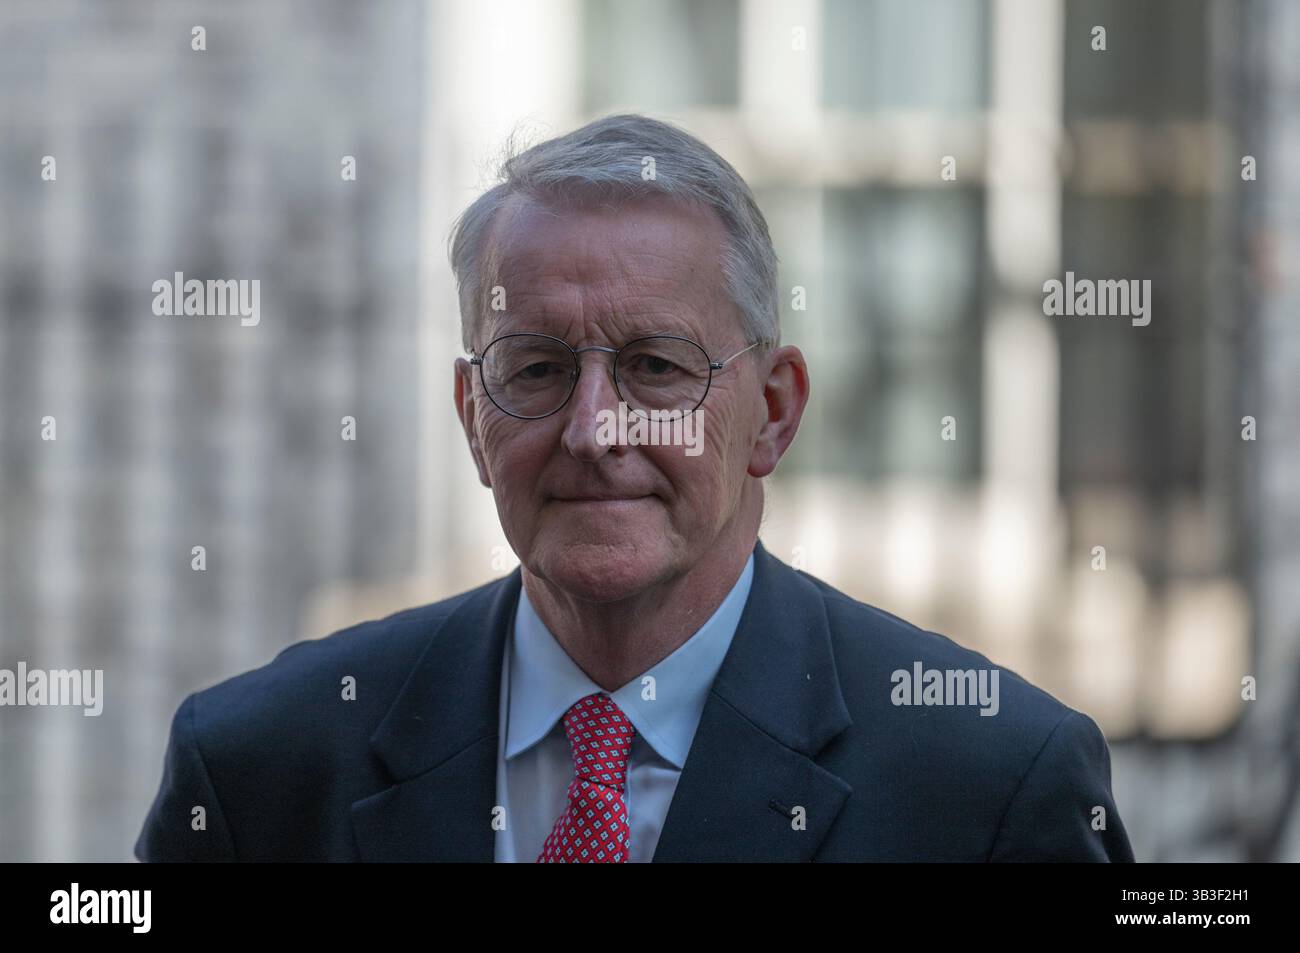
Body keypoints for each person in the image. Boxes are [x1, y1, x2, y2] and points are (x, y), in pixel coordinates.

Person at [136, 114, 1134, 862]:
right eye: (534, 370)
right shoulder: (260, 771)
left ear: (774, 411)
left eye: (657, 366)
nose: (593, 429)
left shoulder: (990, 787)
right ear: (470, 417)